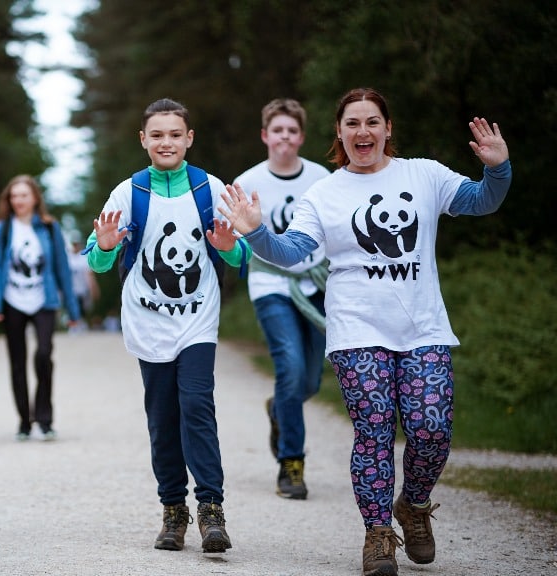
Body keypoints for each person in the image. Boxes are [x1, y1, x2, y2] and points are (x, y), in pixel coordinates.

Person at [216, 87, 511, 576]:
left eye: (372, 122)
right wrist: (255, 232)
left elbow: (482, 201)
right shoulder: (326, 192)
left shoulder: (424, 175)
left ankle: (413, 506)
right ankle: (377, 535)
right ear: (339, 132)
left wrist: (497, 169)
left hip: (423, 327)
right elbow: (291, 253)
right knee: (373, 431)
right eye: (352, 123)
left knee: (430, 429)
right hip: (356, 329)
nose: (363, 132)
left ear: (387, 128)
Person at [85, 98, 249, 556]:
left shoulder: (209, 189)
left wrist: (229, 247)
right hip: (147, 322)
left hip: (198, 320)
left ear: (189, 138)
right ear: (143, 140)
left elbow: (242, 256)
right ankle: (173, 510)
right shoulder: (129, 193)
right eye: (157, 134)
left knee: (197, 404)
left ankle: (211, 509)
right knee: (163, 419)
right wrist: (105, 246)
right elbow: (96, 261)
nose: (166, 142)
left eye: (175, 134)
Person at [233, 98, 331, 500]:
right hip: (271, 284)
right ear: (265, 136)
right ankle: (292, 464)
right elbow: (235, 237)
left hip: (316, 283)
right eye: (278, 130)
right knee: (289, 366)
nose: (285, 137)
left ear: (301, 137)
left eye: (292, 131)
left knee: (309, 379)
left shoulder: (322, 178)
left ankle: (280, 409)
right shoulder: (247, 181)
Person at [0, 174, 81, 441]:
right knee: (17, 362)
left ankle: (45, 419)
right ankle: (24, 422)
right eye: (14, 196)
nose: (18, 201)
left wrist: (72, 310)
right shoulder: (3, 230)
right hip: (12, 301)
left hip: (44, 300)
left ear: (35, 198)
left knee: (44, 355)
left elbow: (63, 269)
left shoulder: (50, 228)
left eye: (24, 195)